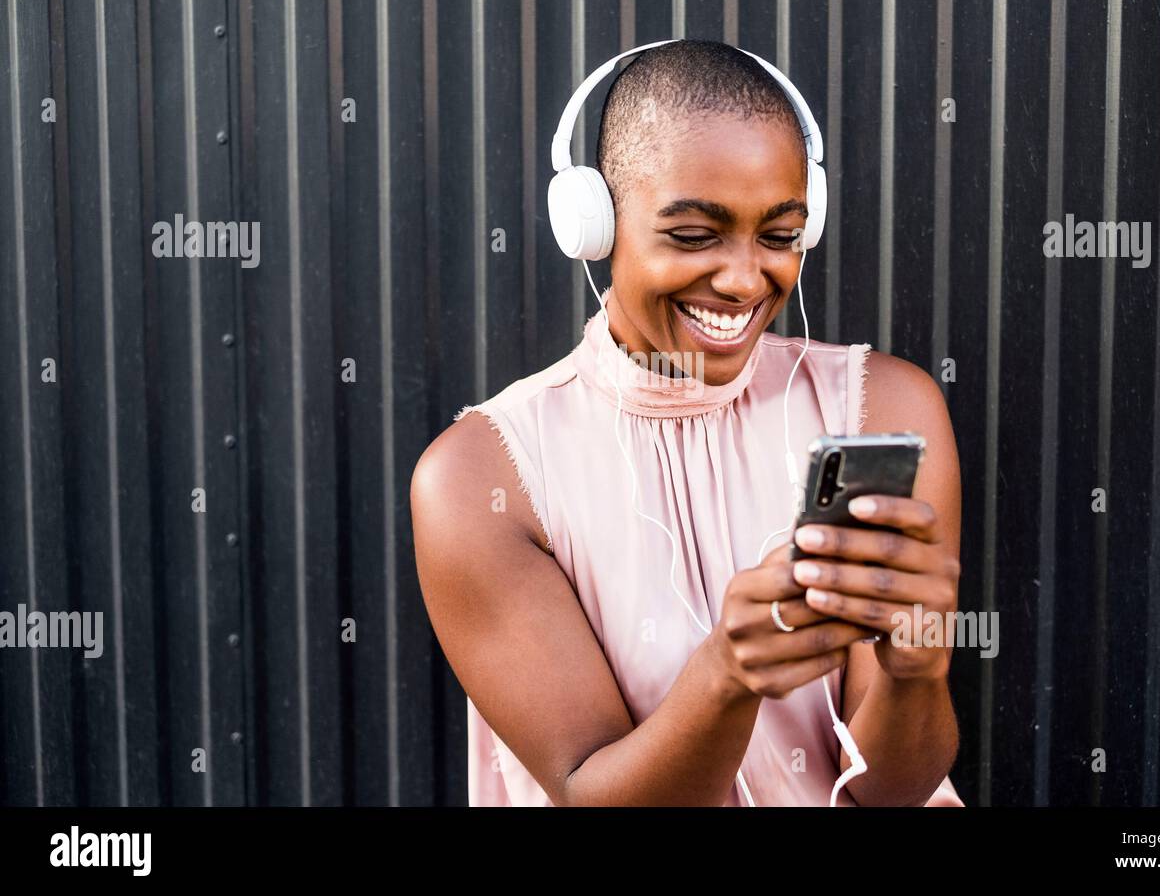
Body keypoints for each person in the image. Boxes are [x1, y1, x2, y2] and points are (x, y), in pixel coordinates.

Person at [411, 39, 964, 806]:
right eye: (695, 236)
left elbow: (893, 793)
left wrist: (919, 668)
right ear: (593, 225)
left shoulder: (884, 410)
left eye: (779, 235)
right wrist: (724, 678)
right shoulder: (481, 477)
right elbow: (589, 793)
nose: (744, 279)